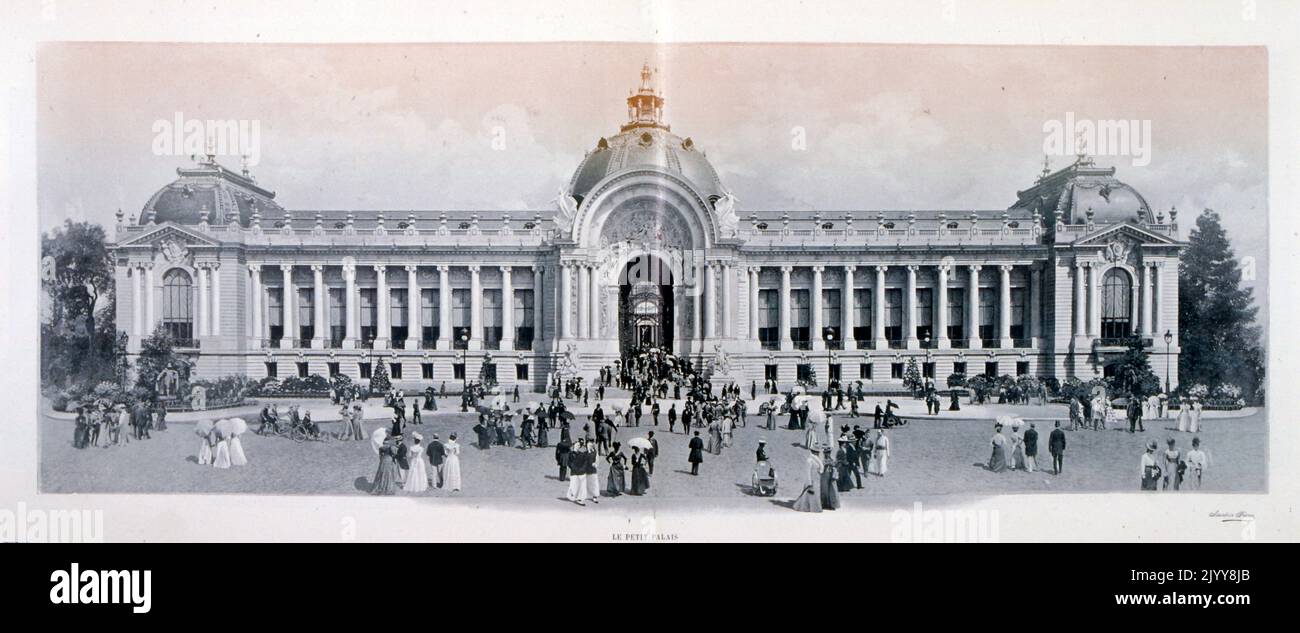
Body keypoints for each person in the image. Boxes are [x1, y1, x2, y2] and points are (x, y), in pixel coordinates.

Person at [792, 446, 823, 513]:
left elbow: (820, 469)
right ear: (813, 452)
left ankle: (814, 507)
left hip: (816, 479)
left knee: (815, 494)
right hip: (812, 479)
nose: (818, 453)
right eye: (816, 451)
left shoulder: (817, 460)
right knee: (809, 494)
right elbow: (807, 472)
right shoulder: (809, 460)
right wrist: (809, 483)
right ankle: (811, 508)